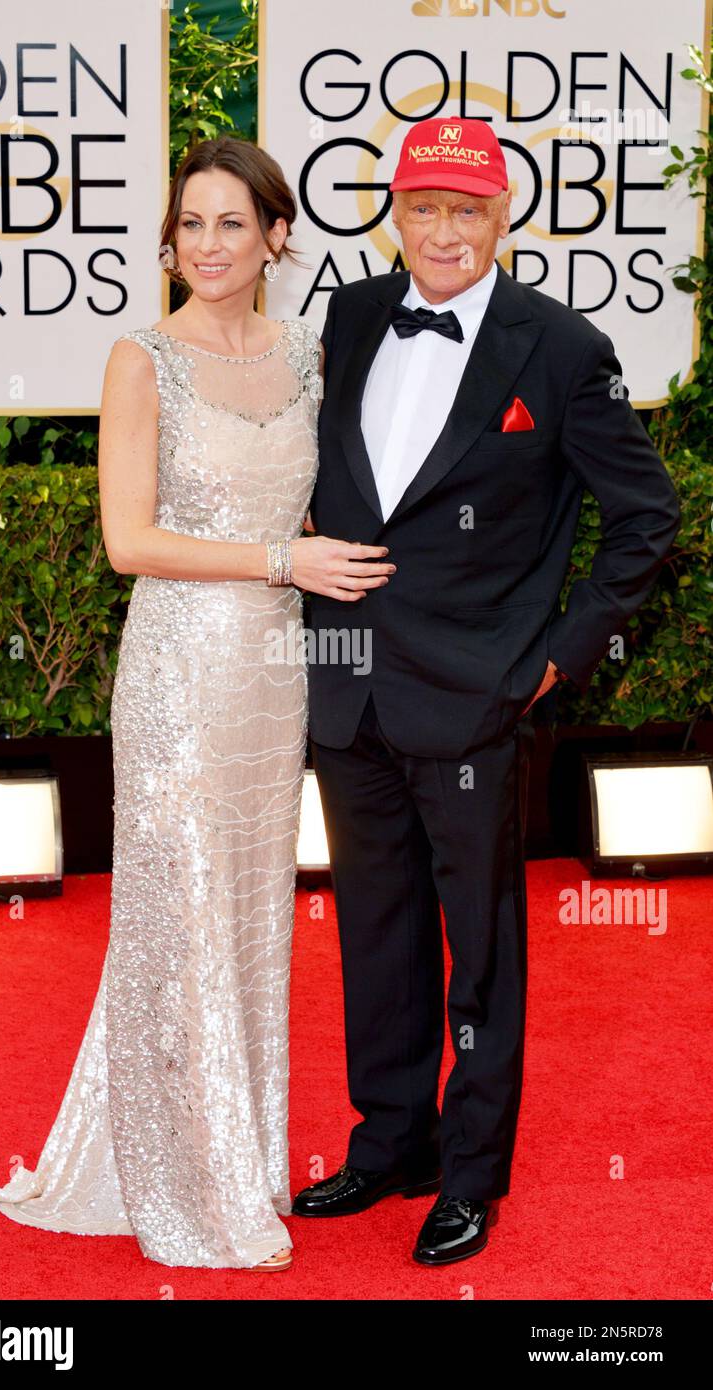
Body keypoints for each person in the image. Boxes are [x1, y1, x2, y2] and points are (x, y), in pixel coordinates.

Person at [0, 136, 392, 1271]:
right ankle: (190, 1185)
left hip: (273, 682)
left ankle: (235, 1155)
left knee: (251, 917)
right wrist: (281, 559)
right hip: (176, 675)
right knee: (181, 914)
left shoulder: (309, 354)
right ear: (168, 239)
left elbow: (342, 502)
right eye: (190, 224)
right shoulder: (140, 358)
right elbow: (129, 542)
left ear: (275, 236)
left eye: (231, 223)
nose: (206, 246)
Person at [293, 116, 681, 1264]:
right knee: (375, 926)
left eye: (468, 211)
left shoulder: (560, 348)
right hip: (345, 681)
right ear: (394, 214)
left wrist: (555, 655)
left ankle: (470, 1171)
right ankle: (390, 1139)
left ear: (501, 219)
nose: (444, 231)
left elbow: (643, 519)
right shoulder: (353, 315)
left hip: (477, 695)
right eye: (424, 208)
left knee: (483, 948)